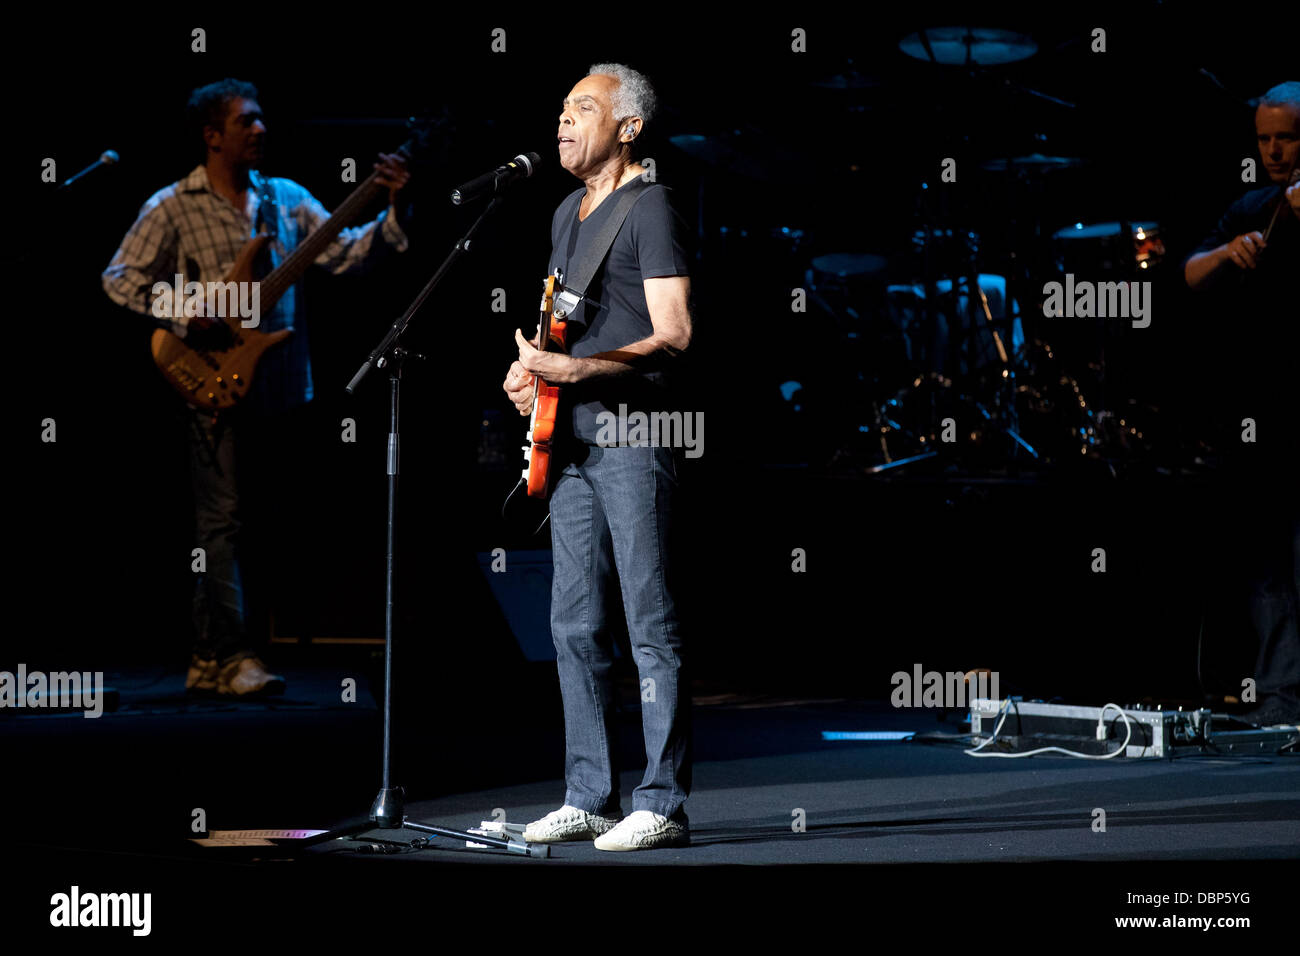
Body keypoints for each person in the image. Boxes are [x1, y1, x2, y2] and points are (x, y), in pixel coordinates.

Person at [103, 78, 412, 696]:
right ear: (212, 135)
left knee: (259, 523)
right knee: (221, 521)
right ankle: (236, 655)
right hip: (208, 381)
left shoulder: (288, 199)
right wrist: (191, 309)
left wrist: (394, 207)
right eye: (246, 121)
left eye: (262, 119)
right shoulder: (173, 205)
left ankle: (209, 657)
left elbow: (348, 254)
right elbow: (120, 277)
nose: (260, 130)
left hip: (279, 383)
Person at [503, 63, 695, 850]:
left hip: (632, 437)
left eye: (583, 109)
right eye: (560, 109)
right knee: (573, 623)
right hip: (571, 440)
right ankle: (590, 791)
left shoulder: (653, 208)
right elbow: (563, 325)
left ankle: (664, 800)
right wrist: (532, 375)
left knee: (649, 621)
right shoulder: (563, 212)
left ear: (629, 127)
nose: (562, 121)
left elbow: (675, 332)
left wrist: (579, 371)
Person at [1184, 81, 1300, 726]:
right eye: (1264, 138)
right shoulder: (1252, 207)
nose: (1275, 149)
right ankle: (1281, 698)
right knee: (1268, 565)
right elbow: (1188, 271)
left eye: (1287, 137)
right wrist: (1229, 252)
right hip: (1263, 408)